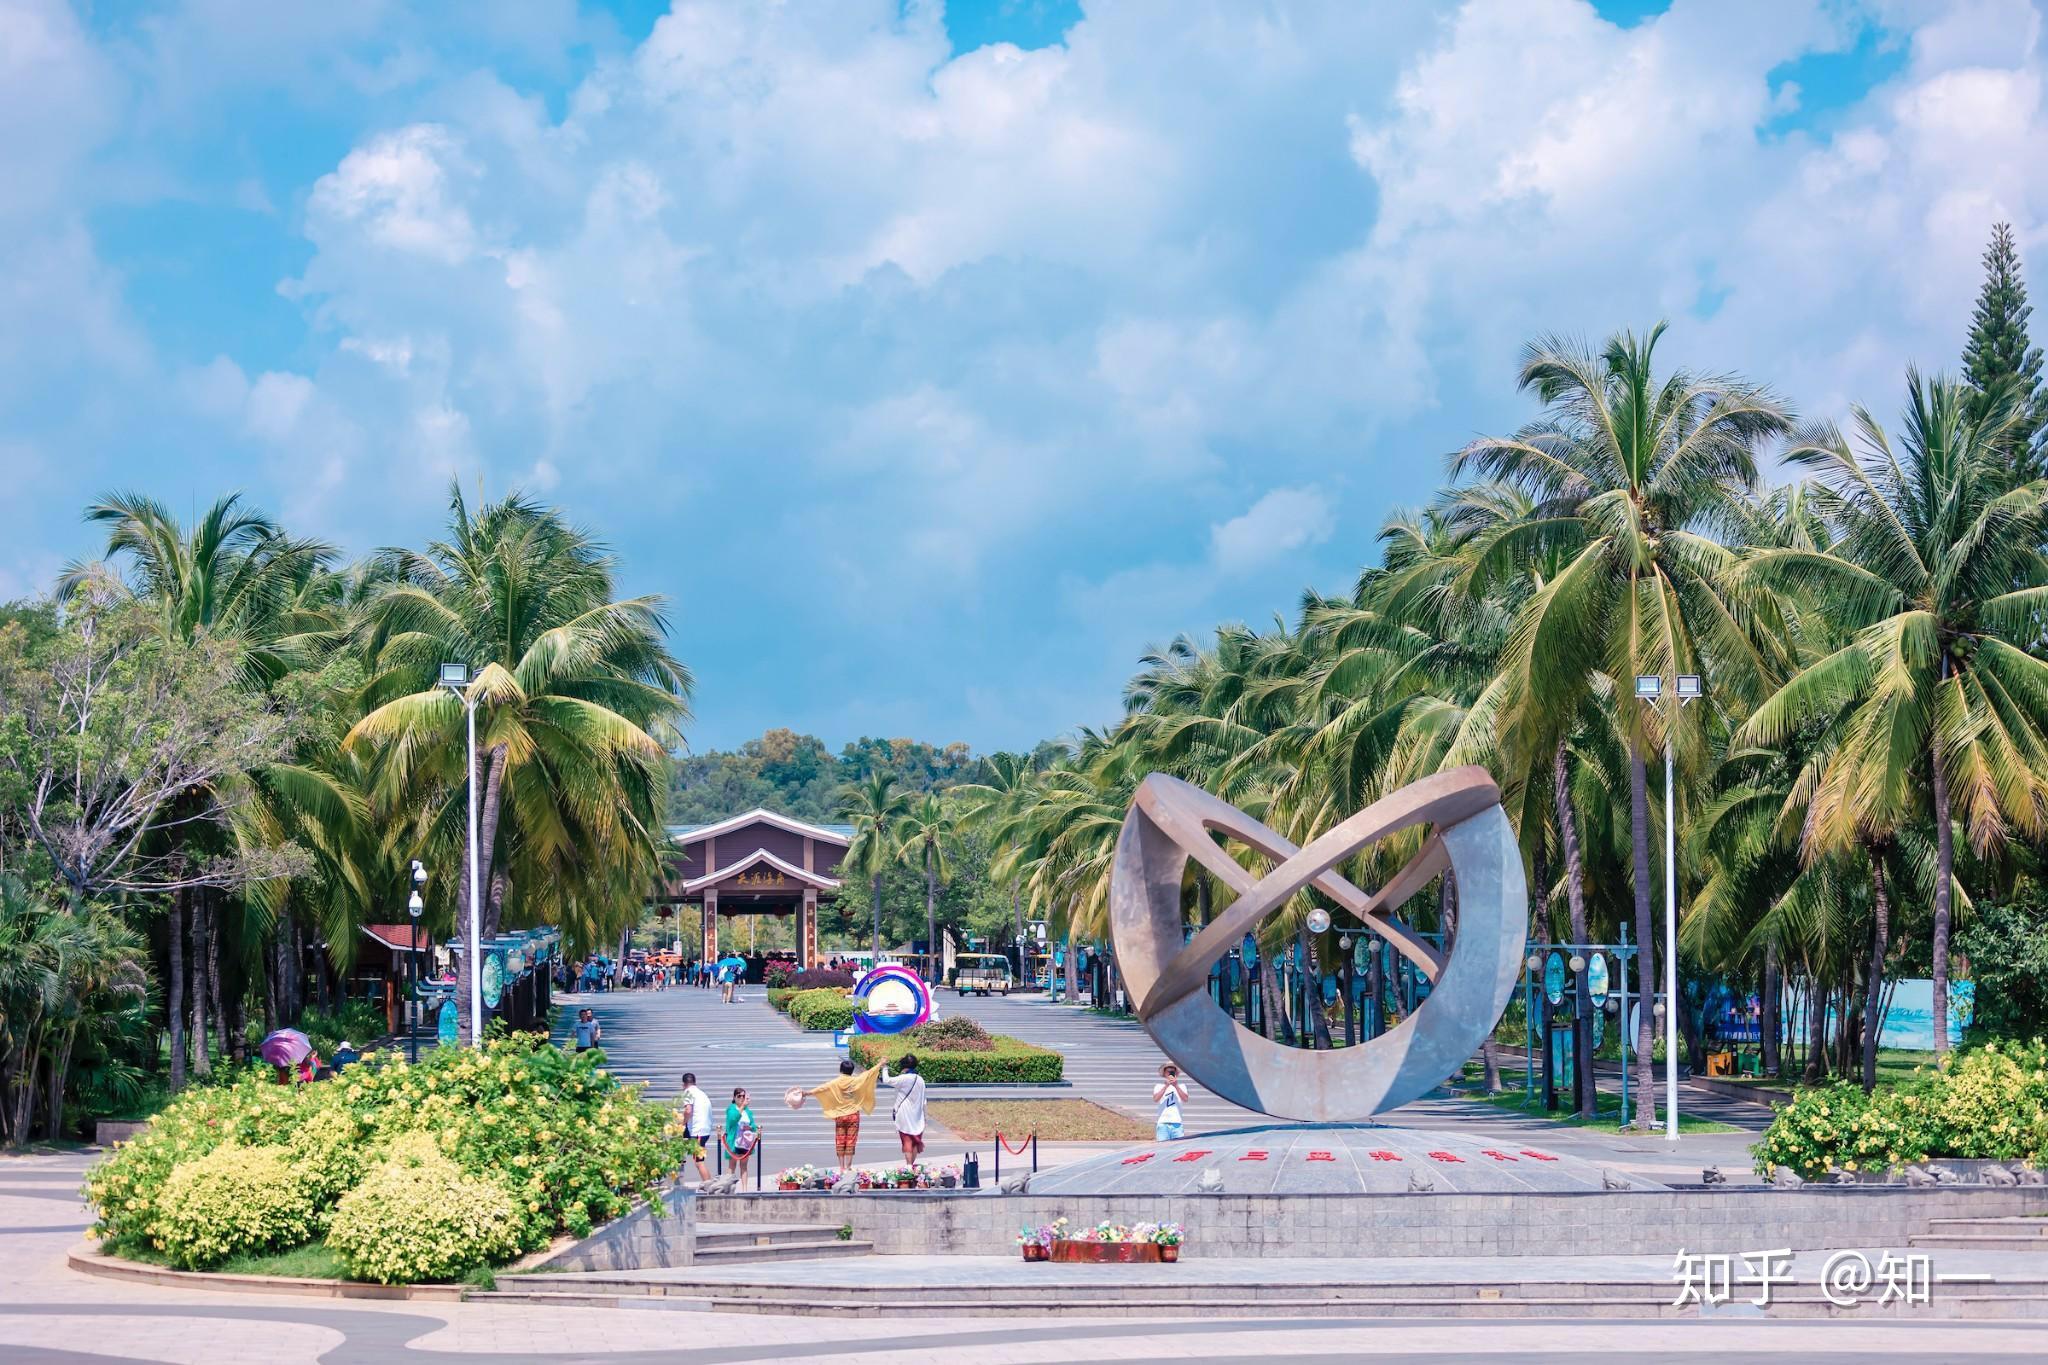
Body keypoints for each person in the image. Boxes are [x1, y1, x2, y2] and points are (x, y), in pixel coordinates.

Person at [801, 1058, 882, 1174]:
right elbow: (869, 1074)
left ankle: (841, 1167)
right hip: (853, 1115)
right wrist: (880, 1063)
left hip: (840, 1116)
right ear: (852, 1071)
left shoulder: (835, 1082)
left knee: (840, 1141)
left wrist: (807, 1093)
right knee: (851, 1141)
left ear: (840, 1070)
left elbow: (821, 1088)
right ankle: (848, 1167)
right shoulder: (856, 1080)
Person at [882, 1053, 926, 1165]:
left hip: (904, 1113)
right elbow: (924, 1099)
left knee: (907, 1140)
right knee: (915, 1141)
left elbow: (886, 1080)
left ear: (904, 1066)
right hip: (917, 1114)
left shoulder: (903, 1078)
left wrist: (884, 1067)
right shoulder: (920, 1079)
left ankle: (908, 1167)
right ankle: (911, 1165)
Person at [677, 1071, 714, 1182]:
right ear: (695, 1082)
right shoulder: (701, 1093)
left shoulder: (688, 1092)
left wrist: (682, 1123)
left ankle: (709, 1188)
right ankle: (710, 1185)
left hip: (698, 1131)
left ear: (683, 1084)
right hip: (705, 1130)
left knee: (699, 1162)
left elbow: (688, 1111)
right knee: (699, 1160)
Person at [724, 1087, 758, 1183]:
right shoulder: (731, 1109)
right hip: (734, 1141)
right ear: (734, 1097)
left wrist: (750, 1128)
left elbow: (752, 1124)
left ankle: (744, 1189)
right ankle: (728, 1187)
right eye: (739, 1096)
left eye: (743, 1096)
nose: (741, 1098)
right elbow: (733, 1119)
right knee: (732, 1166)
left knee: (744, 1166)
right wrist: (742, 1106)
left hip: (745, 1141)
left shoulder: (747, 1111)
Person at [1152, 1063, 1189, 1141]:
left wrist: (1176, 1086)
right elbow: (1156, 1099)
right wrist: (1166, 1086)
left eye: (1172, 1072)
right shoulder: (1158, 1086)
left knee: (1178, 1147)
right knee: (1162, 1147)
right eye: (1168, 1072)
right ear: (1165, 1073)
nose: (1170, 1074)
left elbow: (1185, 1099)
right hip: (1163, 1123)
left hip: (1177, 1123)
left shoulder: (1182, 1086)